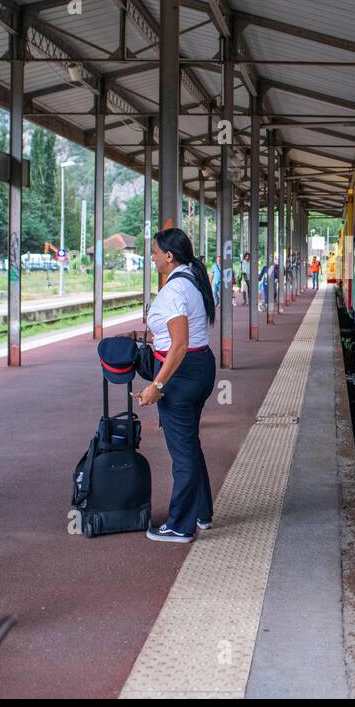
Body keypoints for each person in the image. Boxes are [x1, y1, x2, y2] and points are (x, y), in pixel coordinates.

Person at [137, 228, 218, 543]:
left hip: (181, 375)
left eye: (155, 251)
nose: (153, 257)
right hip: (200, 370)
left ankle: (180, 526)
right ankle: (202, 513)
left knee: (182, 453)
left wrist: (157, 384)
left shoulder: (173, 291)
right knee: (189, 444)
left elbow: (180, 344)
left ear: (169, 256)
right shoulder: (191, 281)